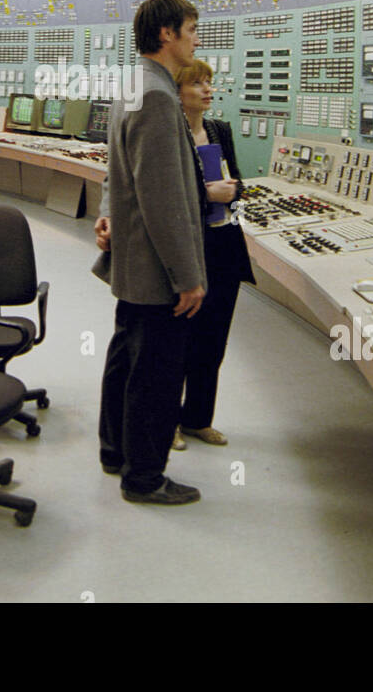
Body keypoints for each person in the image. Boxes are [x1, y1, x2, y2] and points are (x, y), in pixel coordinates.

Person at [94, 0, 207, 505]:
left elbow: (117, 165)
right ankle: (144, 478)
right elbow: (162, 197)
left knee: (126, 356)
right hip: (158, 269)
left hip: (132, 261)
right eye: (191, 29)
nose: (197, 38)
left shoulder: (132, 85)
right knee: (157, 375)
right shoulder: (159, 96)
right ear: (167, 34)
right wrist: (187, 275)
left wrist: (109, 211)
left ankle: (114, 451)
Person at [169, 58, 255, 452]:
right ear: (177, 90)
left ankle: (198, 418)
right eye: (197, 83)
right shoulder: (169, 134)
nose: (207, 90)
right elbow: (166, 198)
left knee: (213, 340)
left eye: (209, 83)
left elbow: (238, 182)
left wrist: (234, 192)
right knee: (178, 339)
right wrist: (208, 197)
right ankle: (166, 420)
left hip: (224, 248)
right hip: (188, 247)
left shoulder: (219, 129)